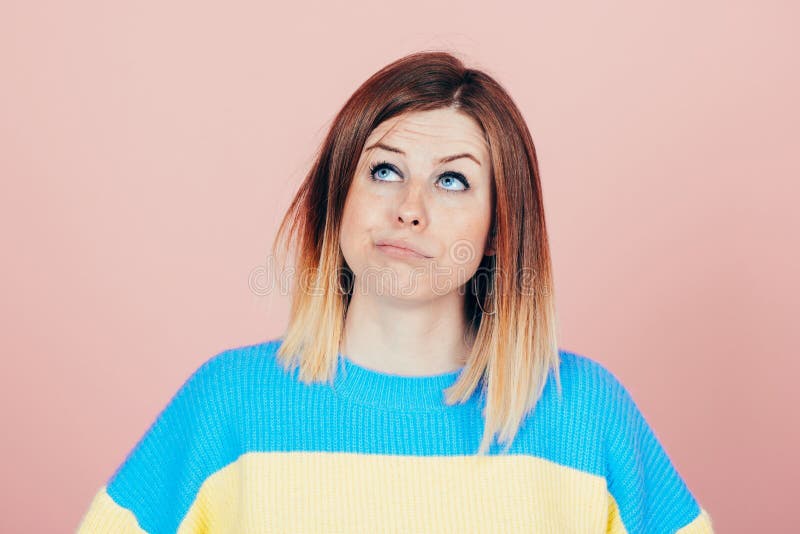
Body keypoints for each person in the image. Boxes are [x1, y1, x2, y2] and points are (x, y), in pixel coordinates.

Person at [77, 51, 714, 533]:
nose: (410, 209)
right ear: (338, 200)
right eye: (385, 170)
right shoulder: (227, 404)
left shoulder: (586, 414)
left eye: (454, 182)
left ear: (500, 231)